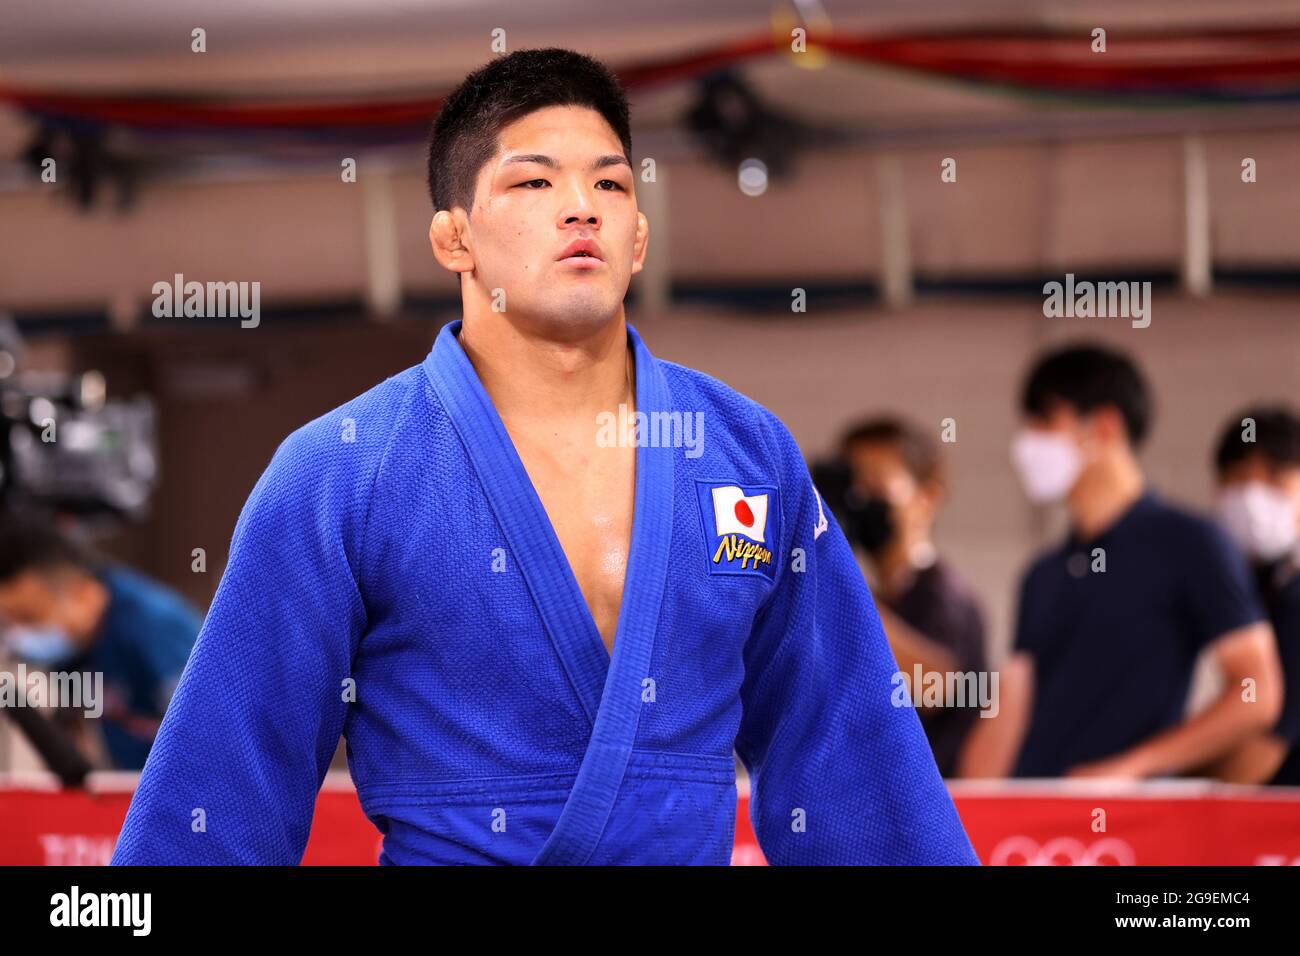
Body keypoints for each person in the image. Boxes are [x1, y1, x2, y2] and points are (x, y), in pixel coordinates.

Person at [112, 49, 976, 865]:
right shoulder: (341, 471)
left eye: (610, 182)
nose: (582, 205)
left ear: (637, 238)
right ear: (454, 240)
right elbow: (225, 781)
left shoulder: (747, 455)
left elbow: (850, 750)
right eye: (533, 180)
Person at [959, 344, 1282, 779]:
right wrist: (969, 813)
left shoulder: (1189, 542)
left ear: (1106, 426)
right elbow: (1011, 706)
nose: (1029, 443)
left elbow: (1257, 693)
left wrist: (1131, 769)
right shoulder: (1043, 572)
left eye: (1046, 422)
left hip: (1127, 827)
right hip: (1034, 826)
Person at [834, 417, 987, 776]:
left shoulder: (948, 595)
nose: (861, 499)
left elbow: (935, 685)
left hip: (937, 808)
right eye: (852, 485)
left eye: (875, 481)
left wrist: (839, 583)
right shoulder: (873, 597)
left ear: (927, 497)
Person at [0, 515, 201, 770]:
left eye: (28, 617)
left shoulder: (153, 626)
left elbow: (210, 727)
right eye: (9, 623)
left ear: (82, 593)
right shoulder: (72, 650)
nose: (20, 635)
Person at [1207, 405, 1300, 785]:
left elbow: (1263, 749)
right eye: (1240, 481)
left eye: (1275, 481)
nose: (1253, 499)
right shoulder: (1258, 593)